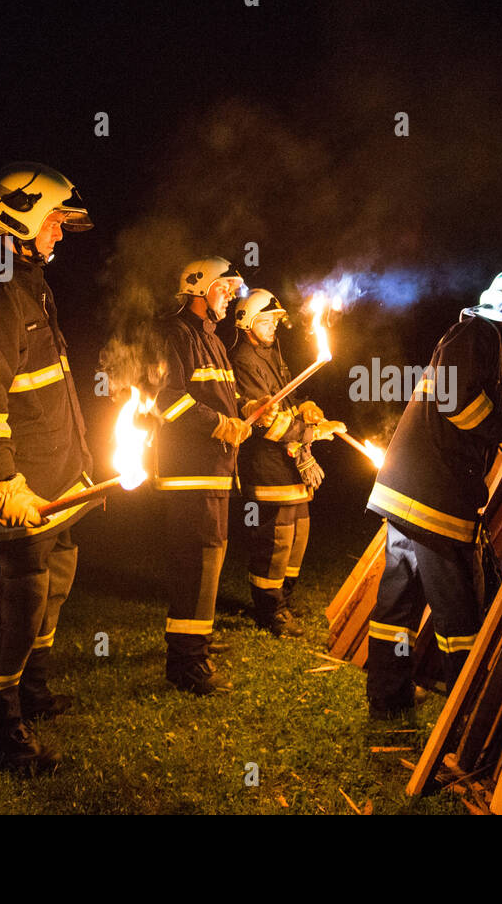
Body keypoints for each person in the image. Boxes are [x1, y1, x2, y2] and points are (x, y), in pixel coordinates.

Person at [0, 162, 95, 771]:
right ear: (22, 216)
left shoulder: (27, 281)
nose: (59, 235)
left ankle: (30, 690)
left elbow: (48, 384)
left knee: (49, 588)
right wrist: (1, 479)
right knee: (13, 600)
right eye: (55, 221)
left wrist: (78, 463)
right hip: (18, 486)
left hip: (56, 483)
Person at [364, 270, 502, 719]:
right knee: (459, 612)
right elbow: (461, 406)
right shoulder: (479, 334)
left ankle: (387, 697)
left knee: (398, 601)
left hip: (406, 493)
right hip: (434, 500)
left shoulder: (481, 344)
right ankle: (466, 713)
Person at [151, 257, 250, 694]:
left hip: (215, 470)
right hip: (189, 471)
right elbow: (166, 398)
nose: (230, 297)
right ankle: (186, 661)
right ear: (200, 290)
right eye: (225, 289)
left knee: (210, 559)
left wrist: (244, 414)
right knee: (197, 561)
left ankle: (197, 639)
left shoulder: (212, 339)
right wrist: (216, 422)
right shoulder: (174, 334)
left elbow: (224, 398)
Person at [230, 289, 345, 637]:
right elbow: (266, 421)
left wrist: (307, 406)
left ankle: (284, 598)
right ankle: (269, 610)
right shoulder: (244, 360)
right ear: (247, 323)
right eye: (265, 321)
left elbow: (287, 399)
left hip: (291, 462)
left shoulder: (271, 353)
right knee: (276, 539)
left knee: (299, 534)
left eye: (275, 321)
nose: (272, 327)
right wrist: (313, 433)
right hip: (267, 464)